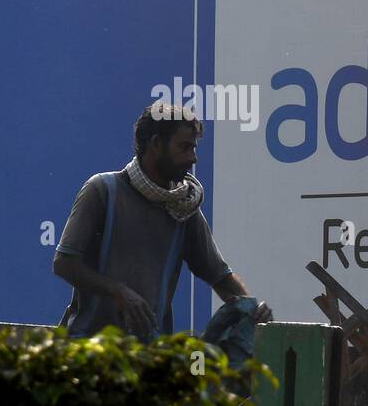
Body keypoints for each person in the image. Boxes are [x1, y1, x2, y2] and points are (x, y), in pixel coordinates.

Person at [53, 103, 272, 338]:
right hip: (87, 349)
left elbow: (221, 278)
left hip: (150, 357)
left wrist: (253, 310)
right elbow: (64, 263)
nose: (193, 158)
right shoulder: (102, 191)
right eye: (184, 147)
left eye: (194, 148)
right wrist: (118, 291)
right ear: (156, 144)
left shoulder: (184, 209)